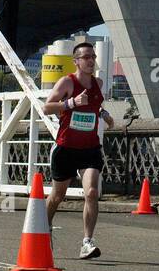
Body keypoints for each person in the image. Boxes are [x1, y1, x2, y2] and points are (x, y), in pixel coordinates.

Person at [42, 41, 115, 259]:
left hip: (90, 149)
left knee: (91, 192)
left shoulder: (98, 83)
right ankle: (43, 231)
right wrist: (71, 103)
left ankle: (87, 242)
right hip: (66, 148)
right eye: (86, 57)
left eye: (93, 56)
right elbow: (47, 107)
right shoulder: (67, 82)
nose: (91, 60)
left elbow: (94, 105)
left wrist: (104, 114)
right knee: (57, 195)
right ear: (76, 61)